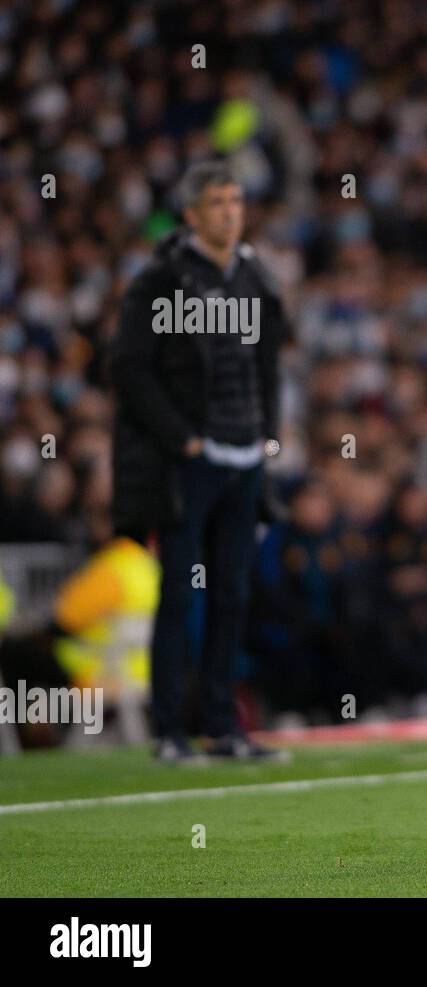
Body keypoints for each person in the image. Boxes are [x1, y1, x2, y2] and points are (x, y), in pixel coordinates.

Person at [111, 161, 290, 762]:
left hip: (244, 456)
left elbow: (268, 365)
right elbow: (129, 368)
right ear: (190, 214)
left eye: (236, 200)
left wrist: (268, 436)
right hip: (189, 463)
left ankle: (222, 728)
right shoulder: (161, 280)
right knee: (180, 596)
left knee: (232, 594)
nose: (230, 212)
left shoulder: (254, 276)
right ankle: (169, 731)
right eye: (217, 202)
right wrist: (181, 439)